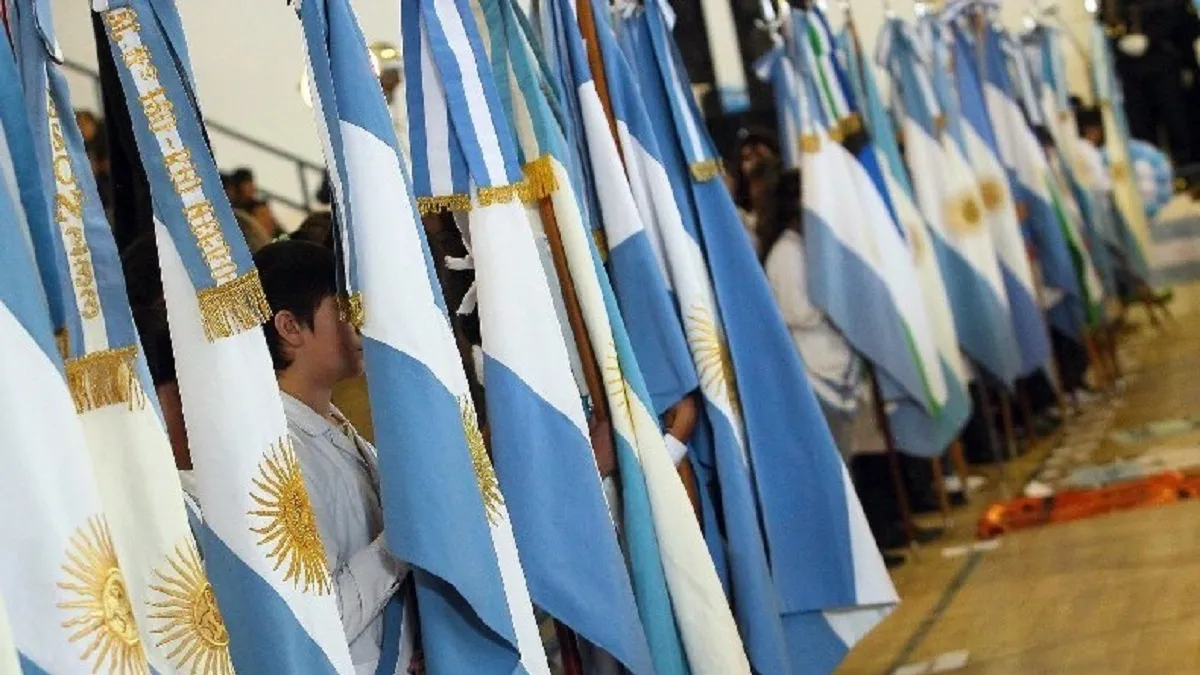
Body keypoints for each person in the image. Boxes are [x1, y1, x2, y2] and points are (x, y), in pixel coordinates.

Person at [255, 240, 412, 675]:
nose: (359, 321)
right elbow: (320, 621)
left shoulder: (335, 425)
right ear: (290, 327)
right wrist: (405, 537)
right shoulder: (280, 454)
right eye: (342, 309)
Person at [761, 169, 862, 459]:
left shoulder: (809, 247)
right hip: (812, 365)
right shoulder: (786, 252)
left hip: (831, 355)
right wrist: (835, 302)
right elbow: (794, 311)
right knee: (832, 456)